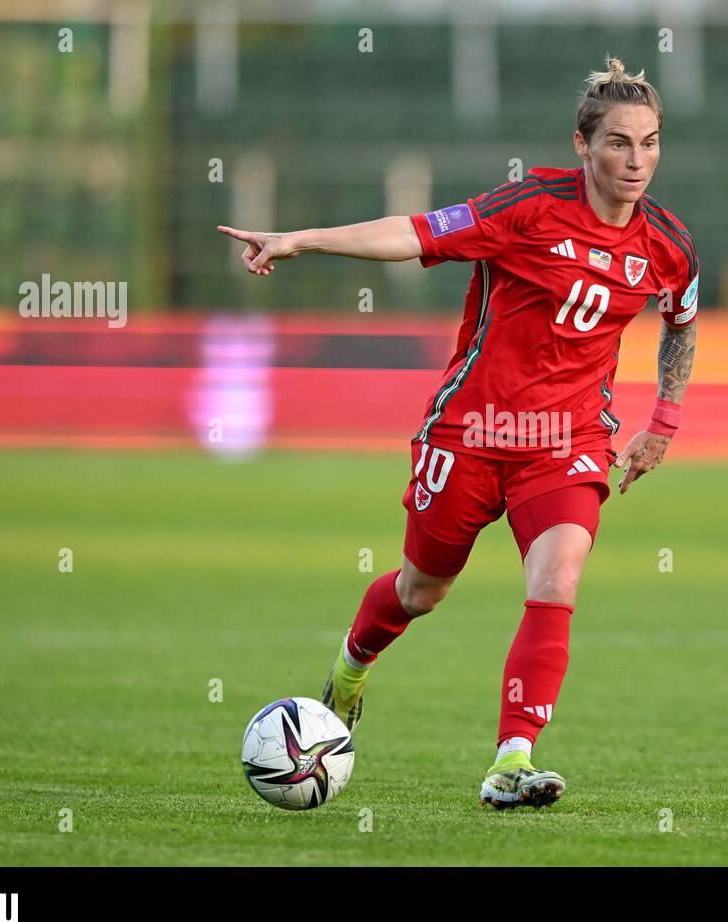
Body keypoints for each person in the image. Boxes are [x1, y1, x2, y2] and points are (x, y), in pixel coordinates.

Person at [219, 56, 698, 810]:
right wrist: (302, 239)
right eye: (618, 143)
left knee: (558, 579)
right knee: (420, 589)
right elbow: (411, 234)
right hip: (470, 432)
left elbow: (682, 320)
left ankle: (511, 760)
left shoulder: (666, 243)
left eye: (649, 142)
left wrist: (662, 423)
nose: (635, 160)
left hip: (563, 441)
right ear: (583, 145)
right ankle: (349, 672)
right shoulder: (528, 207)